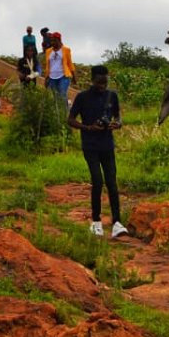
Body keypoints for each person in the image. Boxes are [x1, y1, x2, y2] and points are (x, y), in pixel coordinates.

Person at [68, 65, 127, 238]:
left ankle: (117, 222)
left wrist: (118, 124)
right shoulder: (82, 97)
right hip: (90, 145)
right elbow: (70, 119)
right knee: (97, 181)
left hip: (107, 144)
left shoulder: (112, 96)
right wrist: (88, 127)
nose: (102, 86)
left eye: (105, 82)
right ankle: (96, 222)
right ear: (92, 80)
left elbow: (118, 116)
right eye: (99, 82)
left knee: (112, 182)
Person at [43, 32, 74, 108]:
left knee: (62, 94)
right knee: (55, 97)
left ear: (59, 40)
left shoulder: (66, 50)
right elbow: (47, 66)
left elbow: (70, 64)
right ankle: (58, 113)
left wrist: (74, 77)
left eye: (54, 41)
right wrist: (46, 78)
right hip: (52, 77)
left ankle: (65, 112)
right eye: (51, 41)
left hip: (63, 76)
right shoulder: (48, 51)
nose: (52, 43)